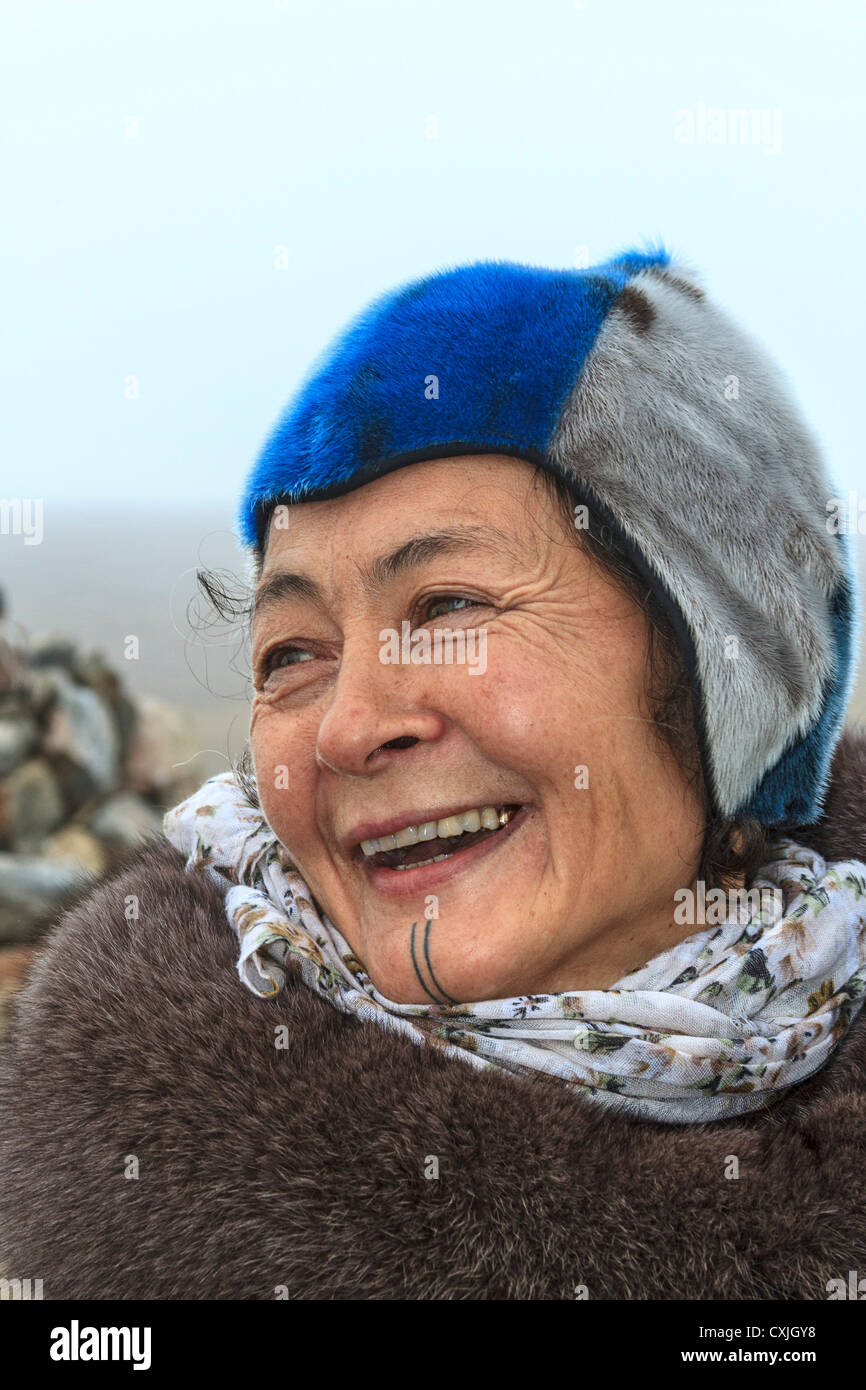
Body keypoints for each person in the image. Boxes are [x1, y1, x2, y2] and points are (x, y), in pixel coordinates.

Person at [1, 247, 865, 1300]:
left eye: (448, 607)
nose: (347, 727)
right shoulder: (122, 1246)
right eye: (291, 654)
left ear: (732, 676)